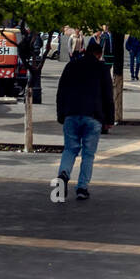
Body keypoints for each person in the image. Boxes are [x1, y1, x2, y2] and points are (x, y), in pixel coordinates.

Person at [54, 40, 114, 201]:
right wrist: (109, 120)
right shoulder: (102, 68)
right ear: (99, 54)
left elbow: (61, 91)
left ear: (85, 51)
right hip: (93, 116)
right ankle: (82, 188)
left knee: (69, 149)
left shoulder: (71, 66)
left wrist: (61, 114)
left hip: (71, 114)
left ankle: (63, 175)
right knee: (88, 154)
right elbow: (108, 95)